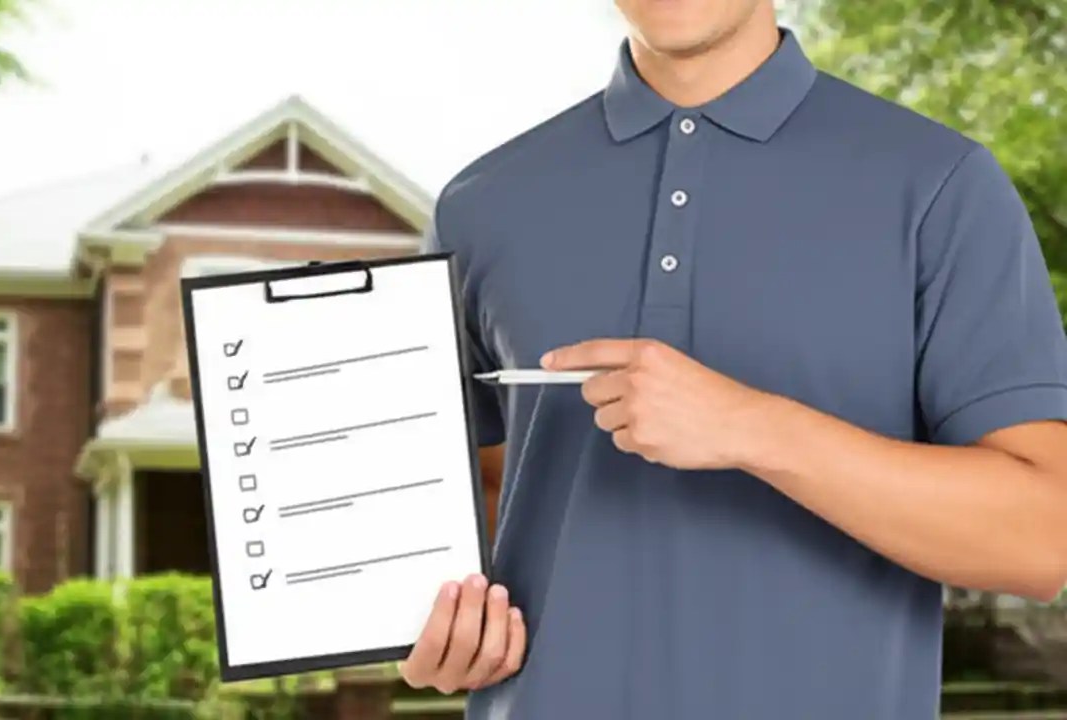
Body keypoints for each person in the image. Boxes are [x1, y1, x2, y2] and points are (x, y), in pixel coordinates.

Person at [400, 0, 1067, 717]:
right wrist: (436, 624)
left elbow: (1040, 539)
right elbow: (454, 517)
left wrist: (751, 427)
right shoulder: (480, 206)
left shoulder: (941, 187)